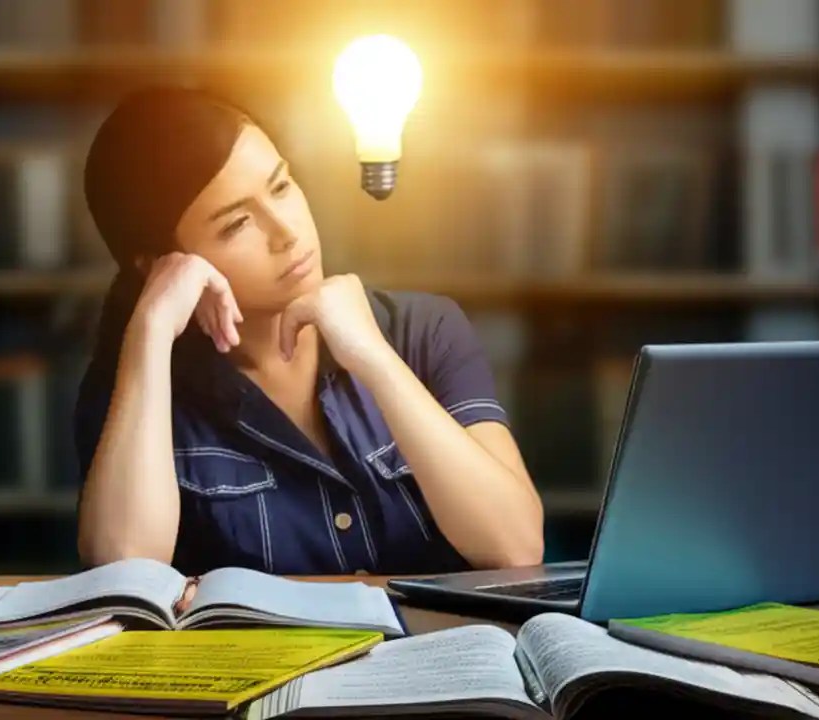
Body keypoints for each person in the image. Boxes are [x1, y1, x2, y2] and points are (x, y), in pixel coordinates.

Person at [75, 85, 544, 578]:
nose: (287, 232)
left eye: (281, 187)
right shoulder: (137, 385)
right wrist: (150, 328)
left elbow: (513, 548)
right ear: (161, 265)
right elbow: (125, 573)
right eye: (236, 224)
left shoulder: (424, 330)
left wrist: (371, 356)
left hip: (439, 653)